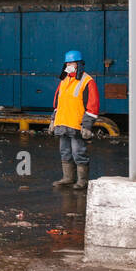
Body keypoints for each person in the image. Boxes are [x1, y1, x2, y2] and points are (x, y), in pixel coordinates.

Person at [48, 48, 99, 190]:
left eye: (72, 62)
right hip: (62, 123)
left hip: (76, 125)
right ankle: (68, 178)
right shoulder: (64, 80)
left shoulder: (87, 81)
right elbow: (58, 104)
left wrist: (87, 126)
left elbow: (92, 106)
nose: (69, 65)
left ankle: (82, 181)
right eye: (67, 62)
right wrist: (53, 121)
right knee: (65, 152)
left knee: (79, 153)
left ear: (79, 64)